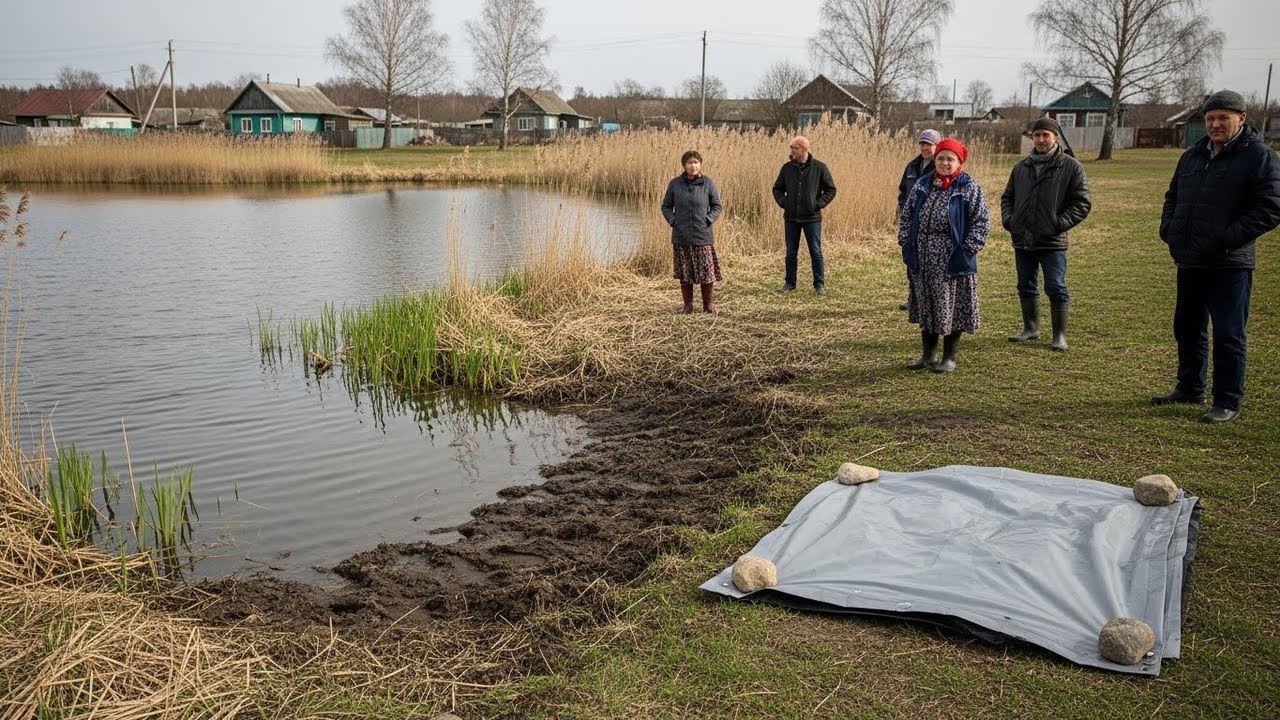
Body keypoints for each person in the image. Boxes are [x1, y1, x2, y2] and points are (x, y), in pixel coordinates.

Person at [1153, 90, 1280, 423]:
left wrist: (1227, 238)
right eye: (1210, 118)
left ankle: (1226, 400)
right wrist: (1170, 229)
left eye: (1223, 117)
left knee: (1228, 332)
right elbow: (1173, 196)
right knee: (1187, 327)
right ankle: (1189, 387)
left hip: (1229, 263)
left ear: (1241, 119)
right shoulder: (1192, 156)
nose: (1215, 124)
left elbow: (1270, 207)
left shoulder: (1258, 156)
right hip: (1190, 259)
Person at [1000, 116, 1092, 350]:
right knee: (1025, 285)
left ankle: (1059, 335)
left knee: (1056, 287)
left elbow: (1082, 203)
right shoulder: (1021, 167)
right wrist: (1010, 221)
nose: (1041, 139)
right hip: (1023, 239)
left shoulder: (1071, 167)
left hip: (1052, 241)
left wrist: (1058, 224)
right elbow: (1007, 197)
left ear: (1055, 137)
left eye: (1045, 135)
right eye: (1037, 135)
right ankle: (1031, 328)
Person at [898, 137, 990, 373]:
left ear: (959, 161)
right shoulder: (922, 184)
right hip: (923, 257)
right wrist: (906, 241)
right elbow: (906, 215)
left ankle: (949, 357)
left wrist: (968, 248)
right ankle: (927, 355)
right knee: (926, 303)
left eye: (950, 159)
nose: (945, 163)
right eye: (941, 158)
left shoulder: (968, 187)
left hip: (953, 258)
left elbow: (981, 222)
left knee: (952, 306)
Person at [772, 135, 837, 295]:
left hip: (812, 218)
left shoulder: (819, 168)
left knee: (815, 250)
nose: (791, 151)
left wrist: (817, 204)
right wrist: (784, 202)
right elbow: (777, 188)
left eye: (793, 148)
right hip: (791, 218)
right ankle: (790, 283)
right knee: (791, 252)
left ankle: (819, 284)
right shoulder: (787, 168)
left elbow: (831, 189)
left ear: (803, 149)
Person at [661, 149, 724, 313]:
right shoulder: (675, 184)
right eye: (690, 163)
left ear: (700, 164)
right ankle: (688, 306)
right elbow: (666, 206)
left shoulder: (708, 183)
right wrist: (673, 220)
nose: (693, 166)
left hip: (702, 235)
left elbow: (717, 206)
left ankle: (708, 305)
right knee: (685, 273)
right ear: (684, 165)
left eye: (696, 162)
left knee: (707, 273)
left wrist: (708, 219)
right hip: (681, 235)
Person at [897, 129, 941, 310]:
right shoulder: (912, 166)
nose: (925, 147)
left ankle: (930, 300)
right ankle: (913, 299)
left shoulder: (940, 166)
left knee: (931, 263)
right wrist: (902, 209)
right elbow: (903, 191)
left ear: (936, 146)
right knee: (912, 259)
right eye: (922, 144)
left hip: (932, 223)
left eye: (929, 144)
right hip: (912, 221)